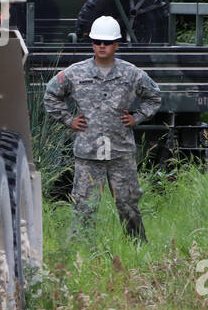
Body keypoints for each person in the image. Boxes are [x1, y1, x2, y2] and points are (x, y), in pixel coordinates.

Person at [44, 15, 163, 240]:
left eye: (106, 42)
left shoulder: (131, 73)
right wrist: (69, 120)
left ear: (116, 44)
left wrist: (137, 117)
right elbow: (51, 95)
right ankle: (82, 256)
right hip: (88, 153)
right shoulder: (75, 72)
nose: (101, 46)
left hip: (120, 152)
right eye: (97, 41)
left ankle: (137, 248)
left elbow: (154, 97)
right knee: (84, 208)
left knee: (128, 206)